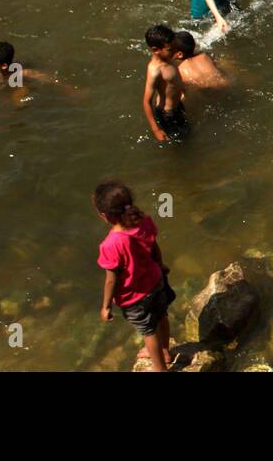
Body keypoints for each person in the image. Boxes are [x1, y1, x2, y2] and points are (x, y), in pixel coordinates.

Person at [93, 181, 174, 372]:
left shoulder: (110, 244)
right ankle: (166, 351)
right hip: (157, 280)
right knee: (162, 315)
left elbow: (111, 279)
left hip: (135, 296)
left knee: (148, 331)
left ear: (104, 216)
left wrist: (106, 306)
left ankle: (160, 368)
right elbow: (154, 246)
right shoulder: (143, 221)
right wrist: (161, 265)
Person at [142, 25, 187, 142]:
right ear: (155, 50)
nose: (175, 52)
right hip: (167, 114)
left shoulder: (169, 57)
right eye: (171, 50)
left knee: (188, 133)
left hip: (178, 105)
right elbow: (146, 102)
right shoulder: (155, 71)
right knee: (181, 143)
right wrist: (156, 130)